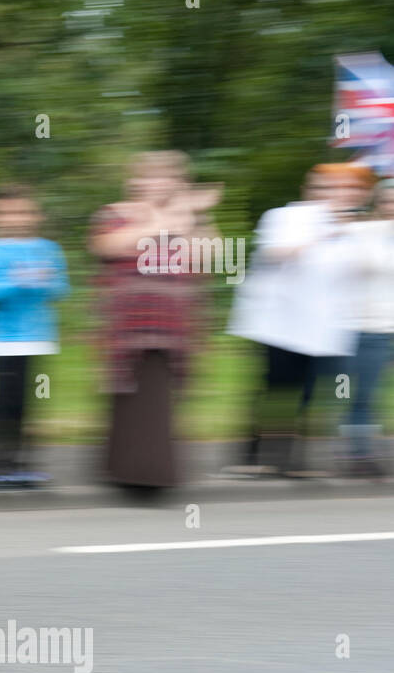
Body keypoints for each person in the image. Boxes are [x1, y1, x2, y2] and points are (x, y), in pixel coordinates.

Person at [227, 162, 374, 476]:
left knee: (309, 392)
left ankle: (291, 458)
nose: (336, 196)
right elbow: (275, 253)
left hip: (321, 328)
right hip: (278, 322)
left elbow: (357, 273)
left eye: (345, 190)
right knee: (273, 388)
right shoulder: (285, 217)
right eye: (328, 189)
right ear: (310, 190)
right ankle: (252, 453)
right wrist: (324, 234)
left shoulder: (349, 230)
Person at [89, 151, 218, 490]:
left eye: (166, 177)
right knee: (128, 398)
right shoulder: (115, 213)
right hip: (126, 330)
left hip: (172, 330)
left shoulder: (188, 220)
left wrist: (193, 216)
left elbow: (211, 254)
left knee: (158, 403)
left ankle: (151, 474)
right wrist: (165, 220)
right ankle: (124, 471)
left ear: (177, 182)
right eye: (148, 176)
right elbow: (108, 246)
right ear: (134, 181)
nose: (156, 183)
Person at [0, 185, 68, 487]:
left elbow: (61, 288)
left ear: (35, 215)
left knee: (27, 404)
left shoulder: (47, 249)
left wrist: (43, 282)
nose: (13, 219)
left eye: (21, 211)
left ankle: (22, 464)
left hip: (35, 339)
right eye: (4, 212)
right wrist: (15, 283)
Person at [338, 176, 394, 475]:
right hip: (366, 326)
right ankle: (360, 455)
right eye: (387, 200)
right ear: (378, 203)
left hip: (387, 328)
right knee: (362, 393)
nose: (392, 206)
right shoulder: (363, 231)